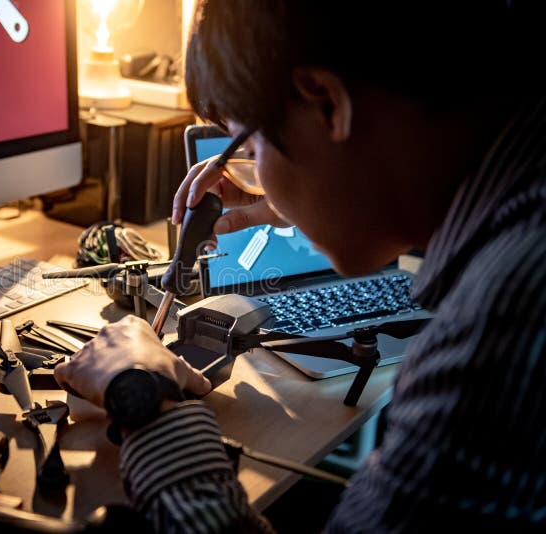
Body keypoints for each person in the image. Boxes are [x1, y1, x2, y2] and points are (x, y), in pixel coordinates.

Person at [55, 0, 546, 531]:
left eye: (249, 145)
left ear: (326, 105)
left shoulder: (504, 321)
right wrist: (320, 196)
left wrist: (144, 403)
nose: (252, 177)